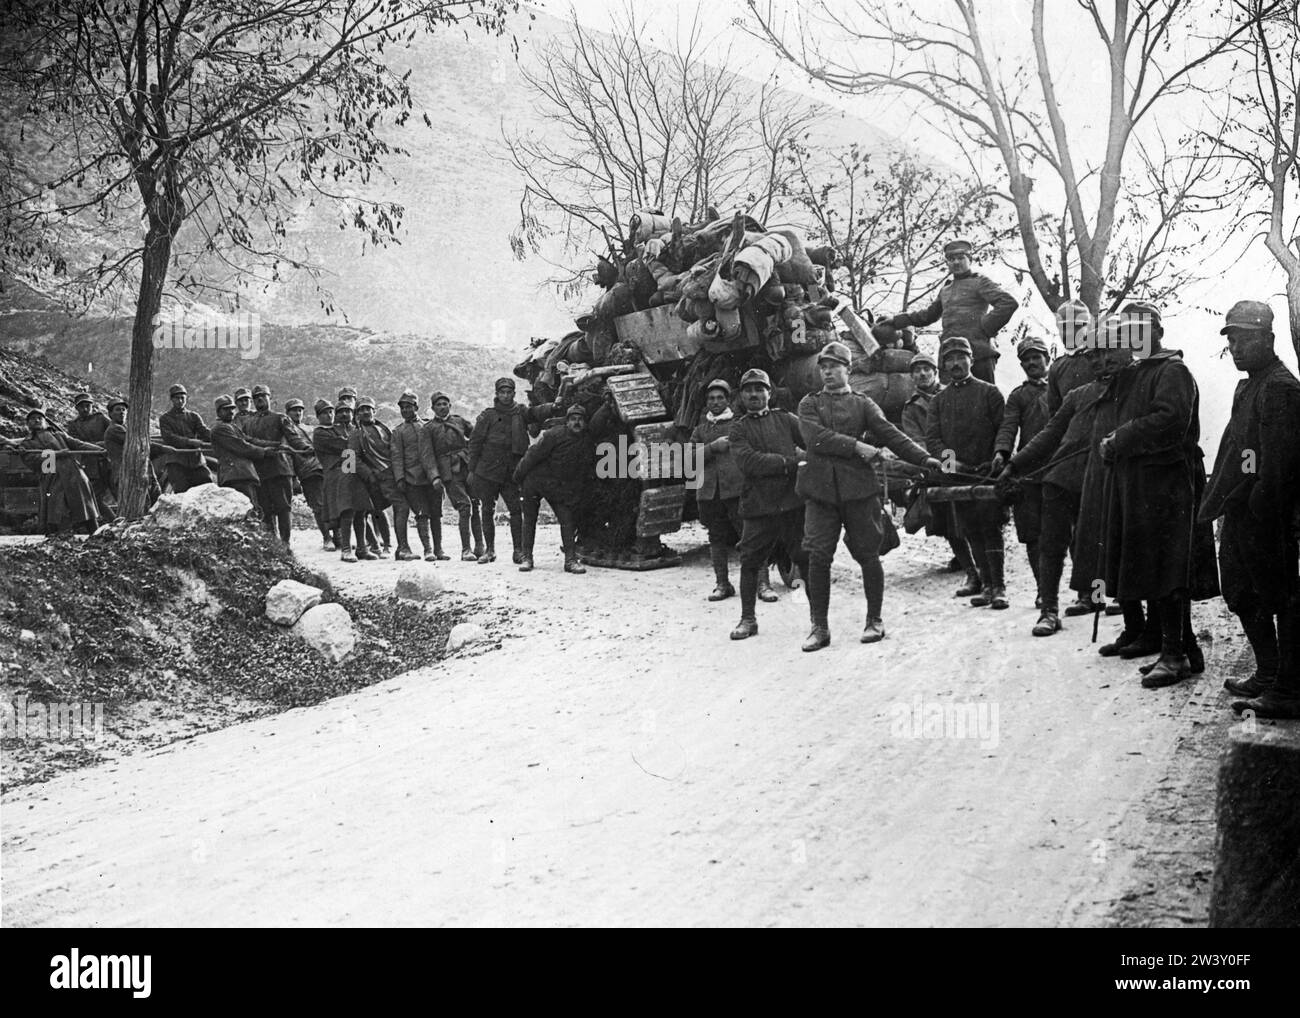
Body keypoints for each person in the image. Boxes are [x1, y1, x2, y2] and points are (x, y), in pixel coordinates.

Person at [1100, 301, 1217, 688]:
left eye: (1141, 328)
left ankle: (1175, 654)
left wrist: (1121, 437)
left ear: (1157, 333)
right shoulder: (1136, 374)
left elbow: (1170, 418)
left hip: (1170, 480)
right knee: (1154, 565)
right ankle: (1184, 651)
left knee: (1170, 568)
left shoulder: (1173, 371)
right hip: (1143, 481)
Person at [798, 341, 941, 648]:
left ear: (848, 370)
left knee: (868, 554)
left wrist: (923, 458)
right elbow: (815, 438)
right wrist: (857, 447)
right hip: (820, 492)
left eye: (834, 367)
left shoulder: (863, 403)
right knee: (817, 556)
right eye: (823, 368)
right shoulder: (809, 404)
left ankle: (874, 620)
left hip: (858, 490)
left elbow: (891, 433)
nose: (827, 373)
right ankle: (819, 627)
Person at [1195, 301, 1300, 719]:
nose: (1236, 348)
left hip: (1267, 514)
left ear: (1269, 340)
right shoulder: (1251, 384)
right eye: (1232, 340)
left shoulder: (1279, 387)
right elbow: (1245, 451)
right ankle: (1269, 672)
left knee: (1283, 596)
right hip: (1244, 507)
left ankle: (1289, 689)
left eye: (1244, 339)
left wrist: (1253, 501)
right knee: (1240, 590)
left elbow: (1276, 465)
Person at [925, 336, 1008, 608]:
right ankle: (985, 585)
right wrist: (952, 464)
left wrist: (998, 457)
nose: (955, 363)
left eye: (961, 357)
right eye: (949, 359)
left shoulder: (990, 392)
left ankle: (999, 587)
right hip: (958, 476)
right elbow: (934, 441)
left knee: (991, 527)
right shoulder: (938, 401)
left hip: (987, 472)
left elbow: (1004, 431)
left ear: (971, 360)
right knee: (970, 528)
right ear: (944, 366)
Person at [727, 368, 809, 641]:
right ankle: (748, 619)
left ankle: (818, 620)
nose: (754, 394)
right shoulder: (738, 428)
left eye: (759, 389)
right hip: (759, 507)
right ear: (741, 396)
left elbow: (811, 439)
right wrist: (789, 462)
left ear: (769, 394)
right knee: (750, 562)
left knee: (805, 559)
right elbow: (749, 462)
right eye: (748, 390)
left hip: (792, 503)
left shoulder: (785, 419)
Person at [889, 239, 1019, 384]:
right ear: (947, 263)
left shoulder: (980, 281)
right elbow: (928, 315)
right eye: (951, 259)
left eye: (960, 257)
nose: (956, 262)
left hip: (978, 354)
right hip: (949, 356)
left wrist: (985, 329)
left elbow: (1007, 303)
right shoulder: (946, 289)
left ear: (969, 259)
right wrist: (896, 321)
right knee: (948, 400)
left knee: (984, 399)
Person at [467, 377, 554, 564]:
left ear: (513, 394)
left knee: (516, 510)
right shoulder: (487, 416)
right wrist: (472, 471)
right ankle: (489, 550)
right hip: (488, 470)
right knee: (487, 509)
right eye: (502, 392)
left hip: (512, 472)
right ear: (497, 394)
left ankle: (518, 551)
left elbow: (535, 413)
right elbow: (475, 444)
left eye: (509, 392)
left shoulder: (520, 412)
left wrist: (553, 407)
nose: (505, 396)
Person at [901, 351, 971, 576]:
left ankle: (976, 557)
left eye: (926, 369)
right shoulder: (911, 408)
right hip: (937, 467)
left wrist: (957, 460)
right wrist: (941, 462)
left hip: (963, 462)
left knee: (971, 511)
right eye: (917, 371)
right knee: (945, 516)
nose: (922, 374)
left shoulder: (953, 394)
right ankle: (965, 560)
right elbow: (916, 441)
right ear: (912, 377)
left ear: (935, 372)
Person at [994, 336, 1052, 593]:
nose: (1031, 363)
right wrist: (1001, 453)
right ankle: (1043, 590)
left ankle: (1086, 594)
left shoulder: (1061, 389)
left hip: (1061, 465)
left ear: (1047, 359)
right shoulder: (1018, 396)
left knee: (1072, 529)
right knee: (1032, 532)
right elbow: (1008, 426)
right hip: (1029, 469)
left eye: (1036, 357)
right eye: (1026, 360)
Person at [513, 403, 597, 573]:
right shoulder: (554, 435)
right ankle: (527, 558)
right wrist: (518, 477)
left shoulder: (586, 440)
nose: (577, 423)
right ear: (567, 422)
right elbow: (532, 455)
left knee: (567, 520)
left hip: (557, 487)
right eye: (573, 419)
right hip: (535, 482)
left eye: (580, 419)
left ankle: (570, 561)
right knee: (529, 520)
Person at [689, 379, 744, 600]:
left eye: (720, 397)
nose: (716, 402)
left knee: (748, 536)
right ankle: (722, 584)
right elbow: (689, 460)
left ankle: (762, 583)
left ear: (728, 400)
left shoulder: (739, 424)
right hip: (710, 493)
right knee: (716, 537)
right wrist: (712, 448)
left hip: (736, 490)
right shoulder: (700, 430)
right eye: (711, 398)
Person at [239, 384, 312, 543]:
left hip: (280, 469)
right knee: (265, 510)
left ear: (269, 398)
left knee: (283, 508)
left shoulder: (280, 418)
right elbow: (246, 444)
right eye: (256, 397)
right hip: (259, 472)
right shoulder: (248, 424)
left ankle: (285, 544)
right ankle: (273, 544)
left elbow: (293, 438)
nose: (259, 399)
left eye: (263, 396)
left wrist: (305, 448)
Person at [15, 407, 101, 535]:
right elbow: (33, 461)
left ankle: (95, 534)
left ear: (45, 422)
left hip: (73, 474)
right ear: (28, 424)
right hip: (51, 477)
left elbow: (78, 444)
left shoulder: (58, 435)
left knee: (85, 505)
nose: (37, 420)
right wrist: (56, 454)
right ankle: (62, 537)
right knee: (56, 508)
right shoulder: (27, 444)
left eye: (40, 418)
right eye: (33, 419)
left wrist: (99, 450)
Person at [421, 391, 484, 562]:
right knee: (464, 506)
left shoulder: (459, 421)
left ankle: (480, 546)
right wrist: (434, 476)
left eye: (445, 404)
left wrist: (473, 456)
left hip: (467, 466)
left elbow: (477, 437)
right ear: (433, 408)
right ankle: (466, 550)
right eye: (438, 405)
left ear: (450, 405)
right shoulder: (428, 428)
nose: (442, 407)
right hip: (448, 472)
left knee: (476, 504)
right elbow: (427, 455)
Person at [313, 402, 373, 562]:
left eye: (348, 411)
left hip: (354, 471)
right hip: (337, 474)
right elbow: (345, 446)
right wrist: (355, 443)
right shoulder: (321, 433)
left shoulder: (355, 430)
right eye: (341, 412)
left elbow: (357, 450)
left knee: (361, 510)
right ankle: (346, 549)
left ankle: (362, 548)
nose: (344, 414)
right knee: (347, 510)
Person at [390, 389, 440, 561]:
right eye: (402, 408)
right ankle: (428, 550)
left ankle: (439, 549)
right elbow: (396, 457)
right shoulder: (398, 432)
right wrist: (400, 478)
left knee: (435, 513)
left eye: (408, 407)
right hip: (412, 479)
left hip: (431, 477)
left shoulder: (428, 426)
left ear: (416, 407)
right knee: (421, 514)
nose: (405, 411)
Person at [101, 398, 166, 508]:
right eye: (117, 410)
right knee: (141, 508)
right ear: (110, 414)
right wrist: (164, 448)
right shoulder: (114, 429)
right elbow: (138, 443)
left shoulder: (125, 428)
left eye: (123, 409)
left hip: (140, 471)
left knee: (156, 502)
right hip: (127, 474)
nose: (122, 412)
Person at [210, 394, 272, 508]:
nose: (231, 412)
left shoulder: (232, 427)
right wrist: (264, 452)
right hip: (235, 476)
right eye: (226, 409)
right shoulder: (220, 428)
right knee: (246, 512)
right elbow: (242, 446)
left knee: (252, 510)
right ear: (218, 412)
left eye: (232, 408)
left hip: (243, 475)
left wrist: (273, 445)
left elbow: (249, 440)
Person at [285, 398, 331, 549]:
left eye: (300, 409)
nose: (298, 413)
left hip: (324, 468)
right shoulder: (286, 433)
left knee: (331, 503)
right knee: (318, 505)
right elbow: (289, 456)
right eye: (294, 410)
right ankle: (327, 538)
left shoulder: (311, 429)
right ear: (287, 413)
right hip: (307, 472)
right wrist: (293, 478)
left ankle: (338, 537)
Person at [157, 384, 216, 492]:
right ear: (171, 399)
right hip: (176, 462)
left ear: (186, 398)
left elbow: (204, 432)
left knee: (208, 487)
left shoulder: (193, 416)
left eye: (182, 398)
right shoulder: (165, 419)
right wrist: (189, 441)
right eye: (176, 398)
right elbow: (169, 438)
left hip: (196, 461)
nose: (180, 401)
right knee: (181, 492)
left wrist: (218, 437)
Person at [65, 392, 115, 519]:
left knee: (119, 493)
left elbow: (114, 435)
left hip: (109, 462)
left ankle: (127, 522)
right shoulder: (74, 425)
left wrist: (99, 445)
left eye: (88, 405)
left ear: (92, 406)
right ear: (76, 408)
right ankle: (114, 520)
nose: (85, 409)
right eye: (81, 407)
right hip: (91, 465)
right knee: (95, 497)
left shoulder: (101, 419)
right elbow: (75, 444)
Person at [1047, 300, 1097, 415]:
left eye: (1075, 326)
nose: (1068, 333)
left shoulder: (1101, 358)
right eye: (1063, 327)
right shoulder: (1057, 368)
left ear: (1088, 328)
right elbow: (1055, 414)